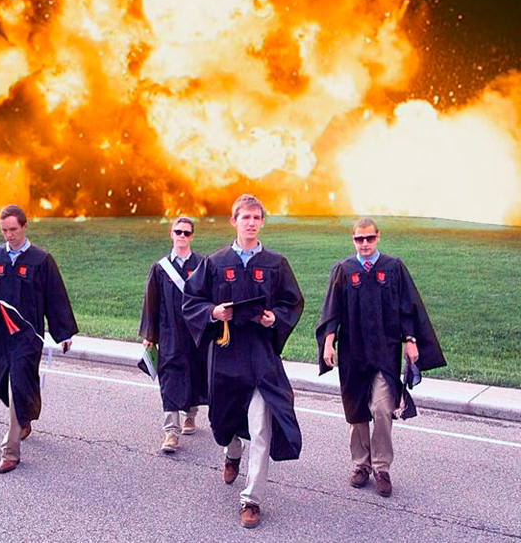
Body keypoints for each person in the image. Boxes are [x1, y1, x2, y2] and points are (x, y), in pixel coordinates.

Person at [182, 194, 304, 529]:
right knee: (223, 422)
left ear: (262, 222)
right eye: (244, 217)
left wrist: (275, 318)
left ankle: (251, 500)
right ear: (233, 221)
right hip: (227, 355)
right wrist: (213, 312)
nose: (250, 222)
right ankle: (232, 451)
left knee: (262, 426)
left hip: (262, 358)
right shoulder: (216, 262)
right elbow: (191, 300)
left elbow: (292, 302)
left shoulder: (276, 264)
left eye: (256, 217)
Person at [315, 217, 446, 497]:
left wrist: (410, 340)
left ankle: (381, 467)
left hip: (385, 351)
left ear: (378, 237)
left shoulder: (393, 267)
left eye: (369, 238)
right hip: (353, 352)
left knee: (382, 408)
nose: (364, 244)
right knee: (356, 410)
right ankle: (360, 464)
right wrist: (328, 344)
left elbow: (407, 308)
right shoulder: (343, 270)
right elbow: (331, 311)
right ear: (352, 240)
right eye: (359, 239)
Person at [0, 204, 77, 474]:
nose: (8, 235)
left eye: (13, 229)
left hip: (27, 336)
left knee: (18, 383)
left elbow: (55, 298)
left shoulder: (41, 261)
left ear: (24, 226)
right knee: (2, 383)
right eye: (4, 230)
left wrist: (64, 333)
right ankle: (24, 418)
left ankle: (10, 452)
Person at [138, 216, 208, 454]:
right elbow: (151, 302)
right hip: (169, 333)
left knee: (195, 376)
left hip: (195, 335)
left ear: (192, 236)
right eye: (178, 231)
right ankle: (171, 432)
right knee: (169, 380)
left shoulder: (202, 265)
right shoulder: (160, 268)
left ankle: (191, 415)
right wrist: (149, 334)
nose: (182, 236)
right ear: (171, 234)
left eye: (186, 233)